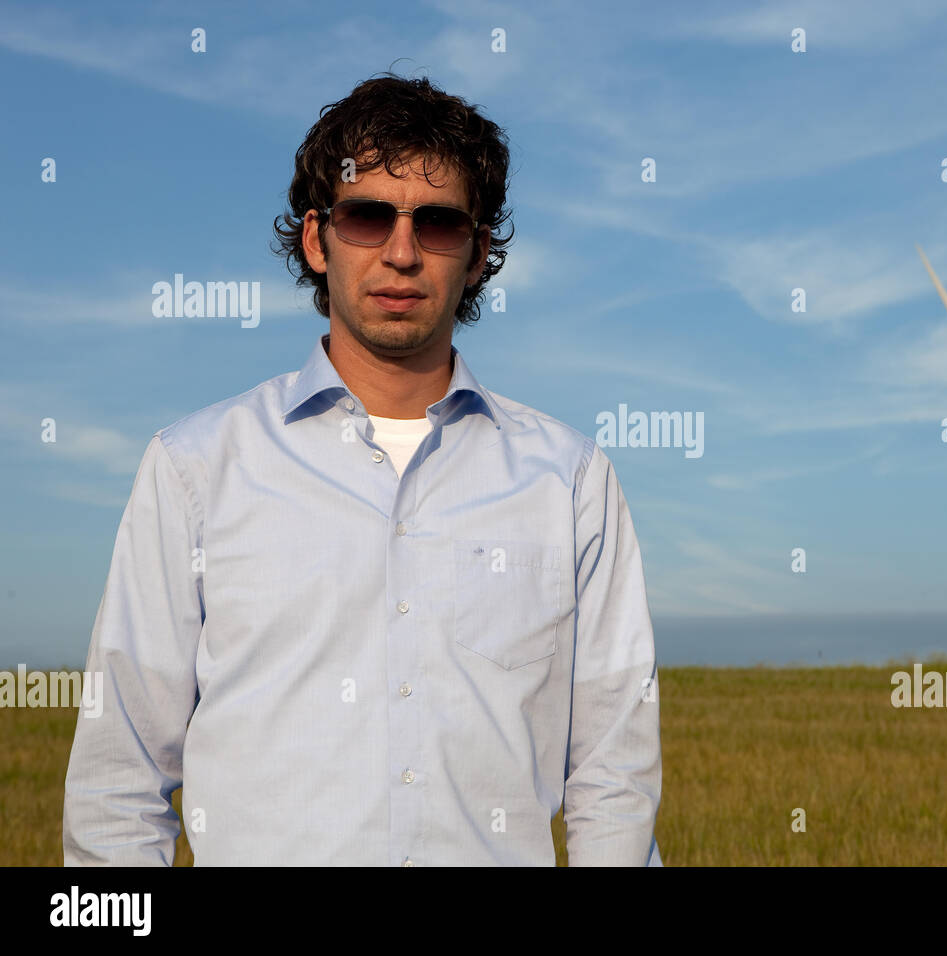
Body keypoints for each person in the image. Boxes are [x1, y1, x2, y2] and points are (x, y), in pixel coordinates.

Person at [62, 74, 663, 866]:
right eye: (367, 215)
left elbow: (612, 778)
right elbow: (119, 782)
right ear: (317, 239)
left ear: (480, 253)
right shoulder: (194, 468)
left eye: (440, 223)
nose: (402, 251)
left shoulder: (572, 481)